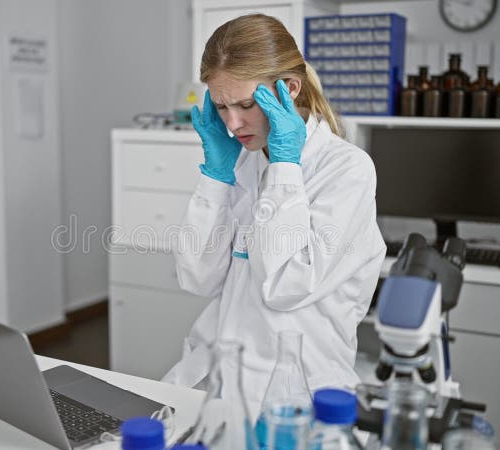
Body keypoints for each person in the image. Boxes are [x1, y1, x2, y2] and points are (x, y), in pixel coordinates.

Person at [161, 13, 386, 403]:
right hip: (216, 374)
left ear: (290, 89)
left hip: (293, 390)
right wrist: (216, 178)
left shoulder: (346, 169)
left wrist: (285, 168)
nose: (233, 123)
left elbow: (284, 287)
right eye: (221, 106)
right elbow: (197, 278)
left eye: (247, 104)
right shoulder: (242, 160)